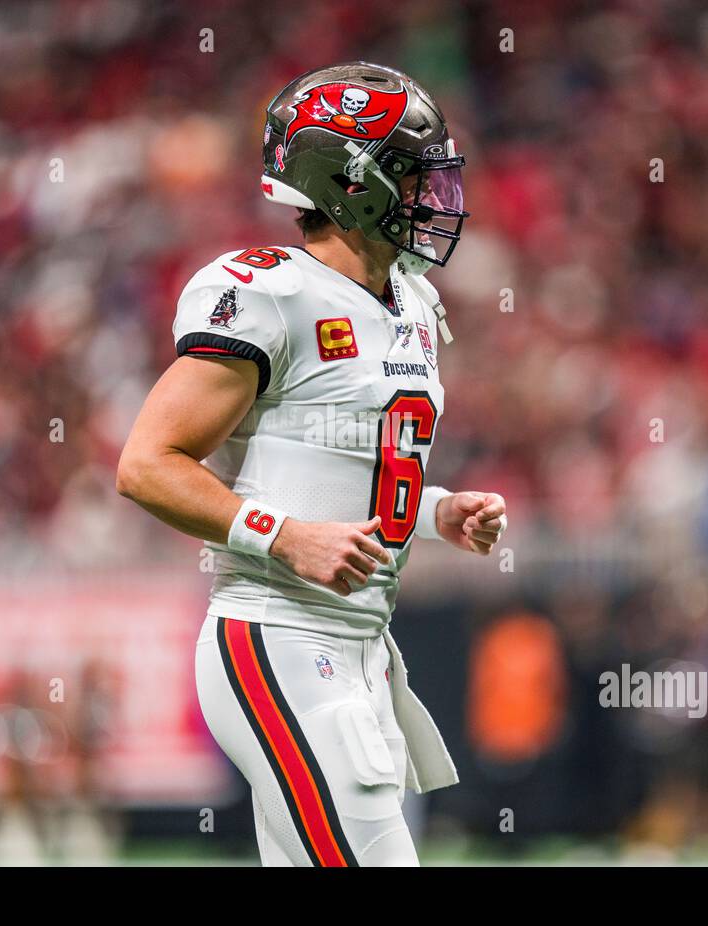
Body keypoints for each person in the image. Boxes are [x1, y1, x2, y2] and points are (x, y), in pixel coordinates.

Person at [117, 62, 507, 866]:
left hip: (358, 645)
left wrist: (435, 512)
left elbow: (340, 466)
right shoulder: (270, 292)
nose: (430, 194)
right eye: (408, 172)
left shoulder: (409, 303)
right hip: (278, 635)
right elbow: (148, 463)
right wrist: (284, 536)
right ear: (349, 182)